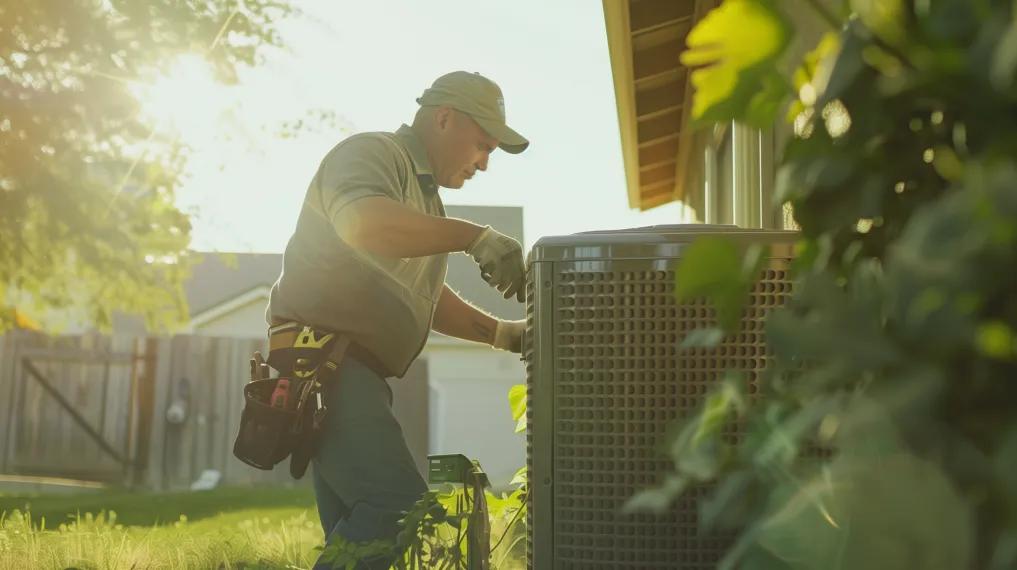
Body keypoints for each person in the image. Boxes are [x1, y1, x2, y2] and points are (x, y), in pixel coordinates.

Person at [266, 70, 529, 569]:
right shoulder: (373, 154)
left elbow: (423, 294)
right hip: (324, 362)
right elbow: (363, 223)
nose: (485, 164)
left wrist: (505, 336)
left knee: (358, 538)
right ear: (444, 118)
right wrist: (473, 237)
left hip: (347, 370)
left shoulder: (424, 200)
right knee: (395, 506)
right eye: (482, 145)